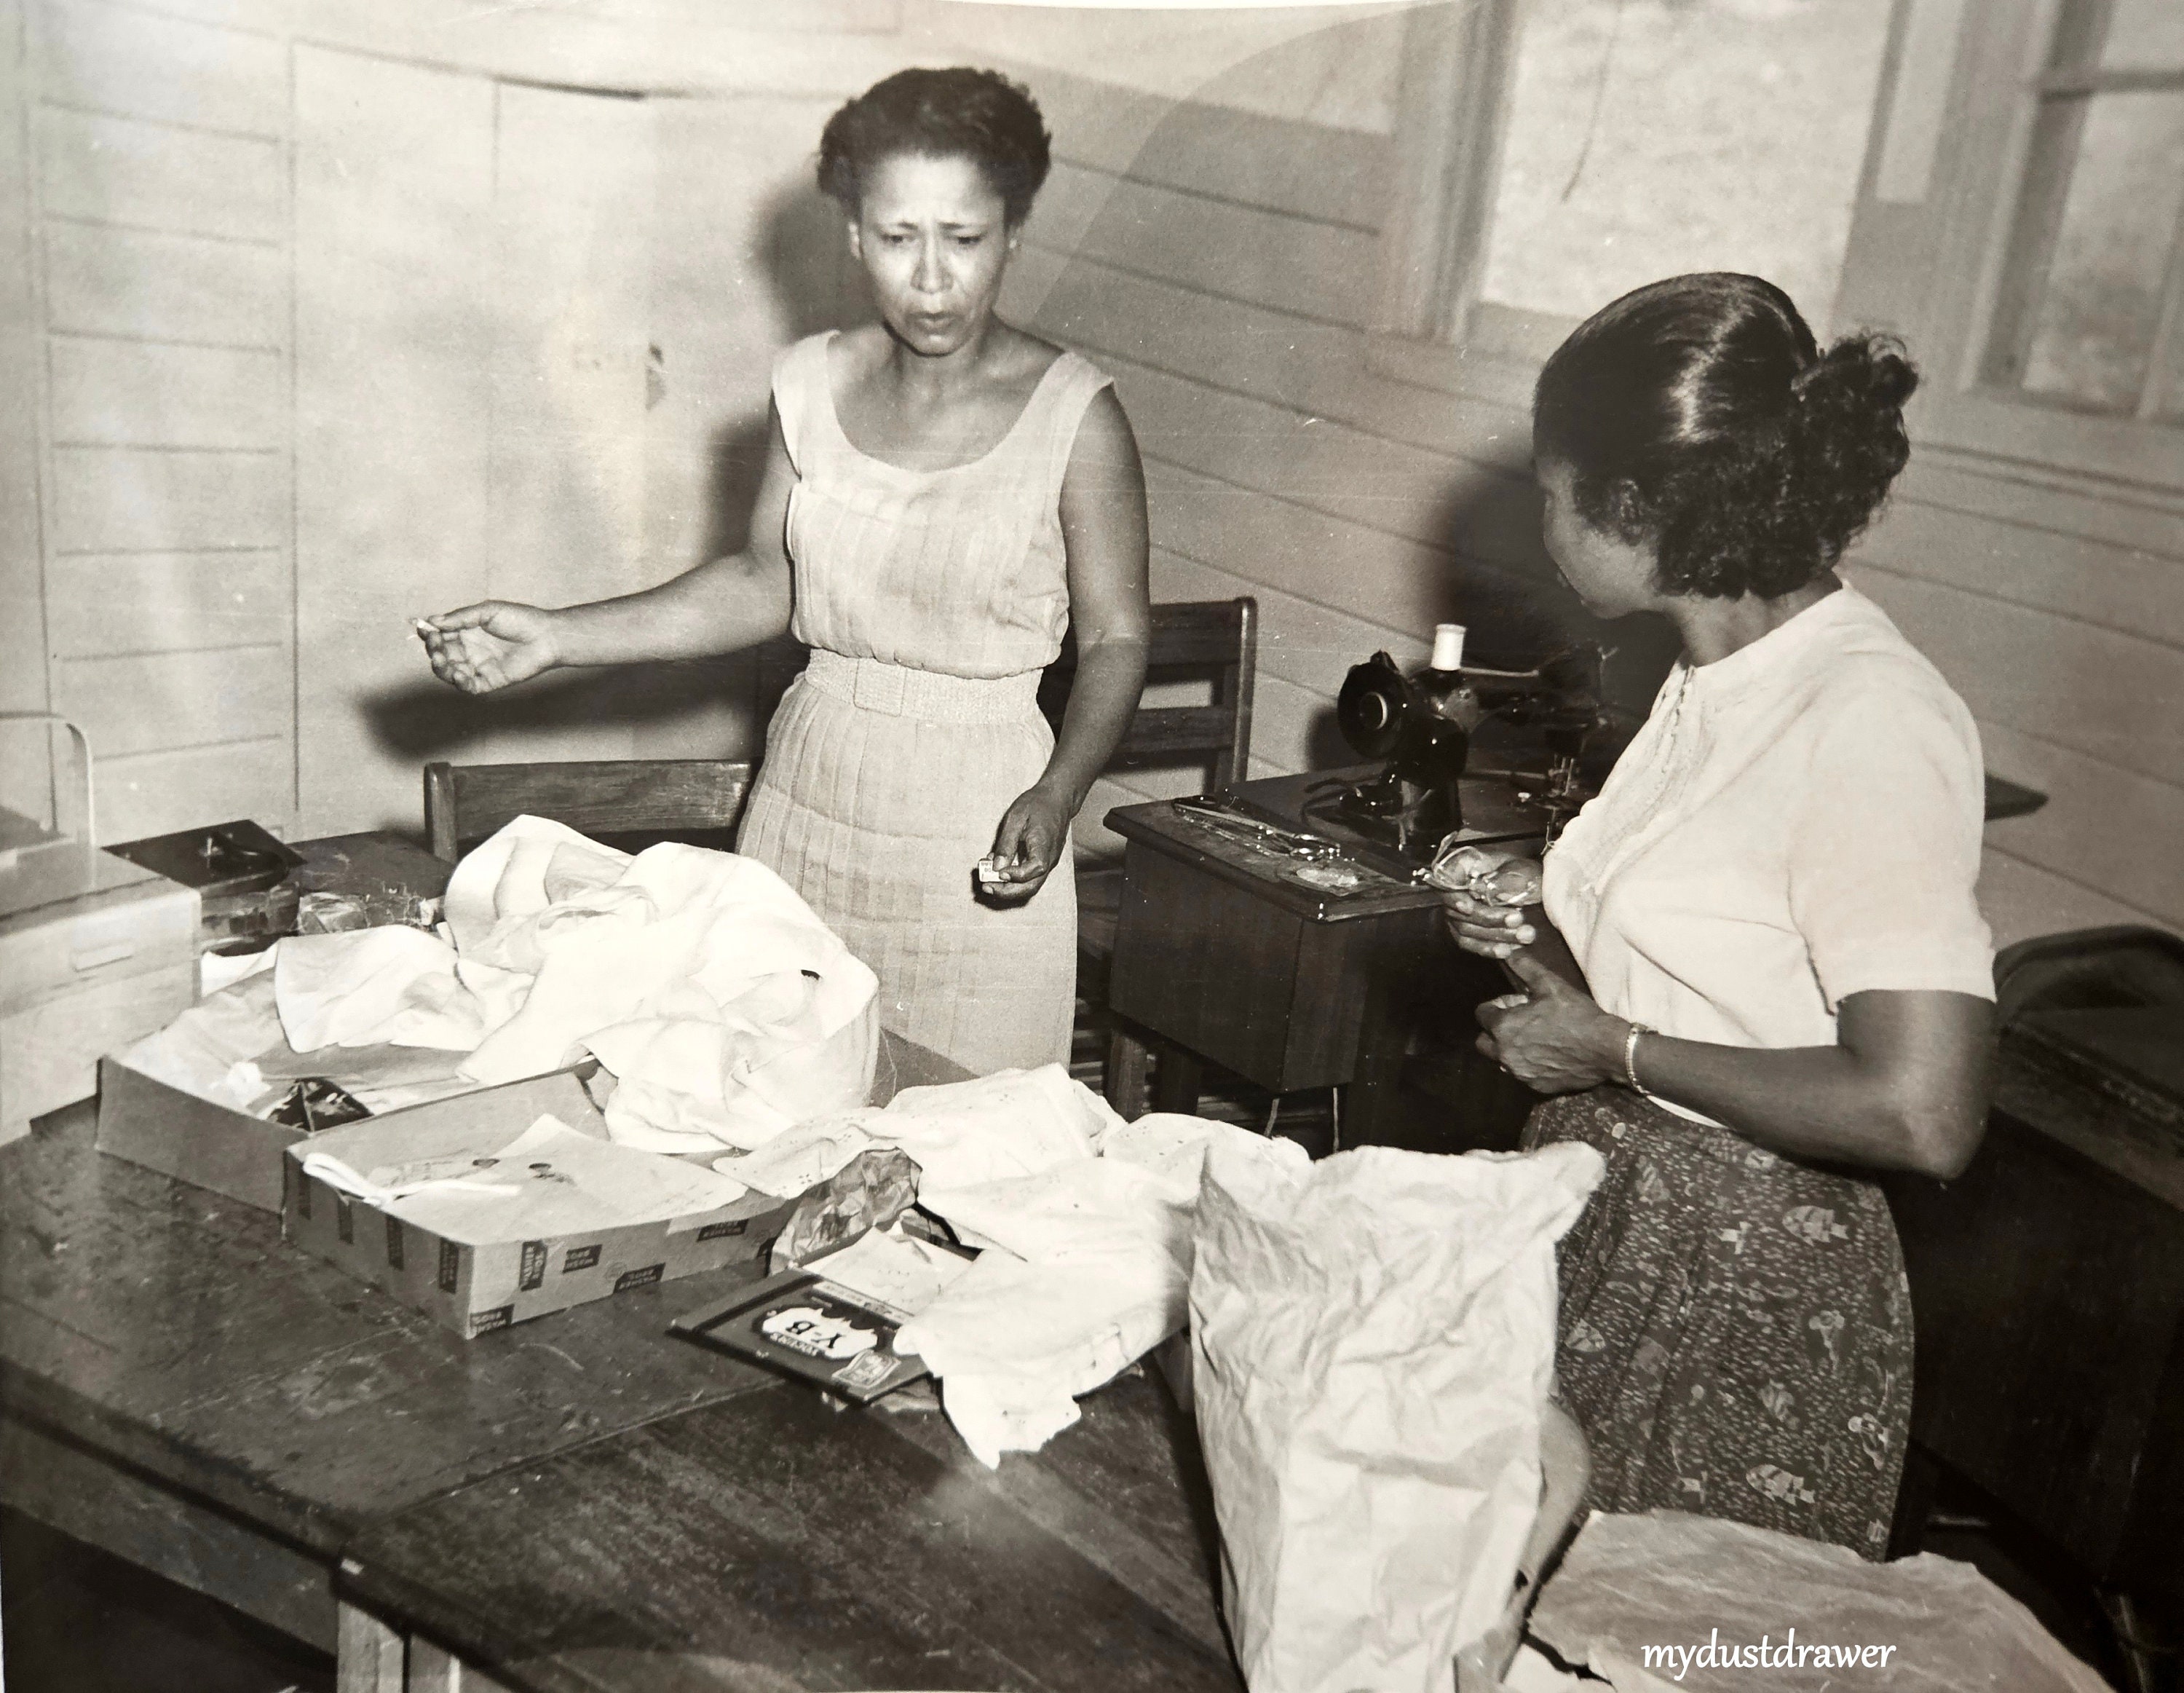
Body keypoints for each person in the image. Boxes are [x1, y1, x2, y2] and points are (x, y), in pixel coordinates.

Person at [417, 68, 1151, 1076]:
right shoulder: (807, 385)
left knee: (966, 1146)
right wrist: (556, 634)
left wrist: (1060, 791)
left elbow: (1116, 639)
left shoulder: (1077, 416)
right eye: (899, 239)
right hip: (808, 799)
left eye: (965, 239)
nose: (932, 279)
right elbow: (767, 582)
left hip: (984, 813)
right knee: (766, 1110)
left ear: (1013, 232)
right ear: (854, 236)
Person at [1440, 273, 1996, 1558]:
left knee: (1656, 1635)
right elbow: (1733, 954)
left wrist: (1611, 1051)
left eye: (1554, 491)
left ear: (1640, 512)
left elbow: (1926, 1108)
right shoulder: (1718, 671)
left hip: (1743, 1286)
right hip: (1626, 1215)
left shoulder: (1868, 714)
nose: (1545, 521)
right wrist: (1548, 953)